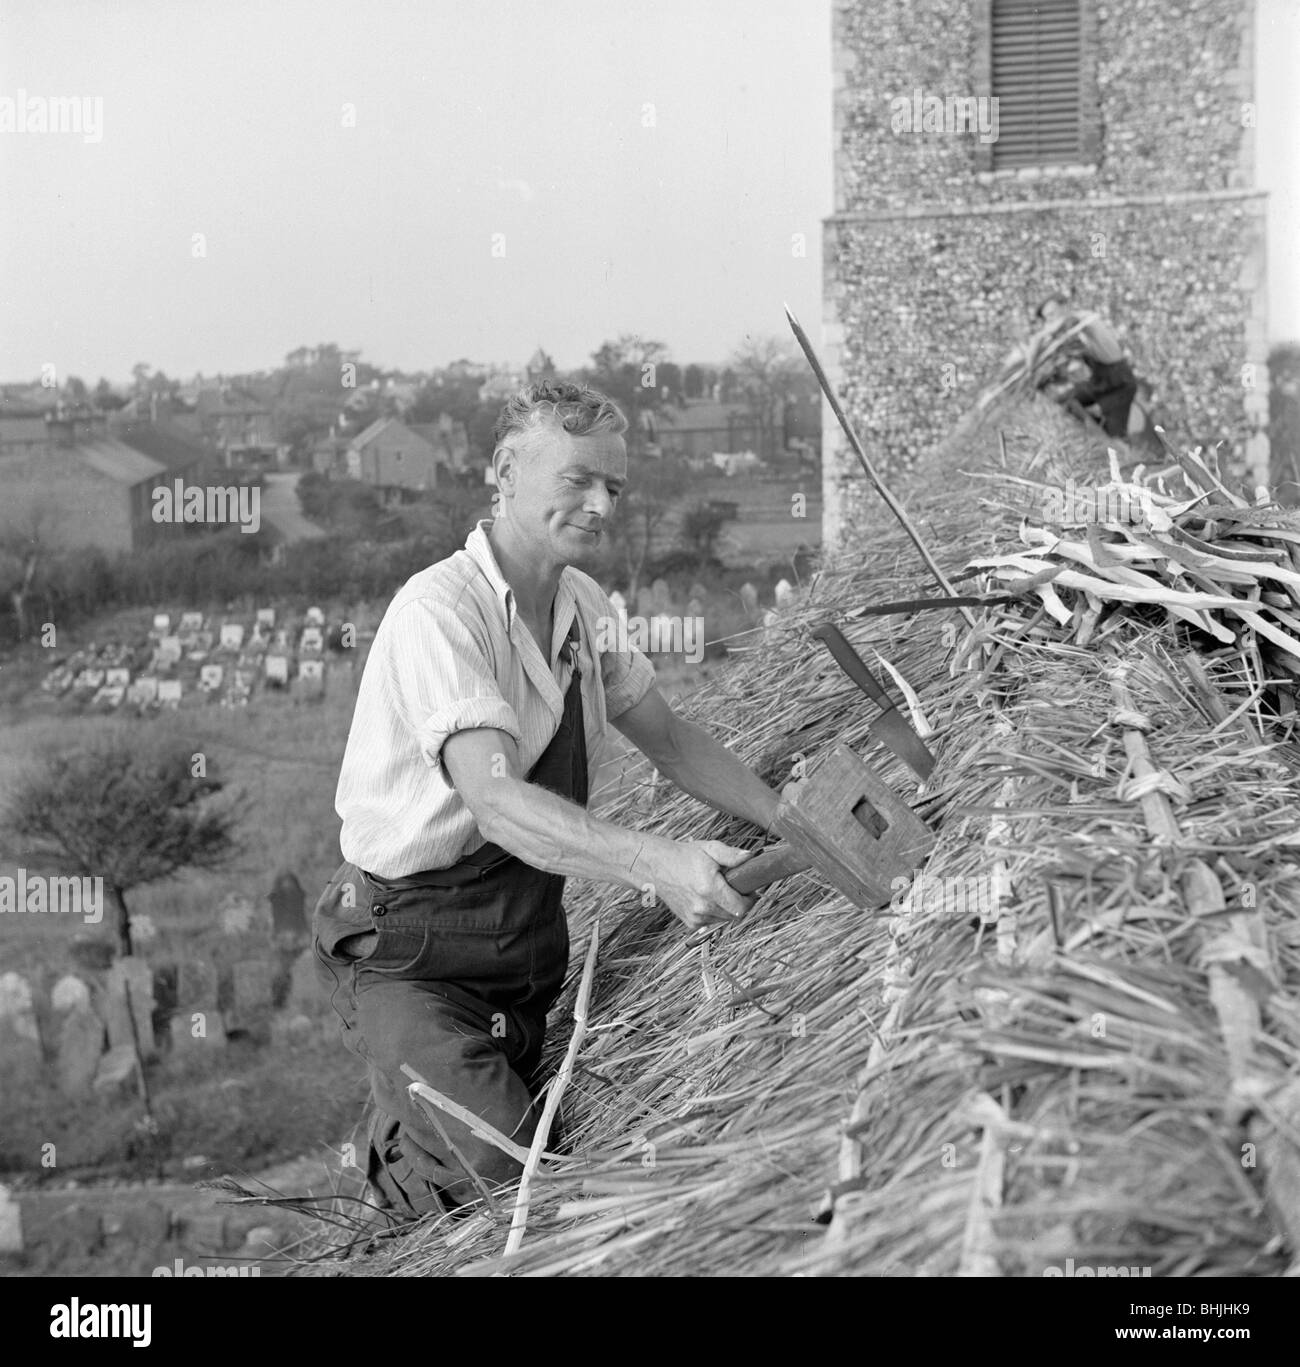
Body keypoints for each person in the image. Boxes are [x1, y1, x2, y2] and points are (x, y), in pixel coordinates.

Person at [313, 379, 784, 1219]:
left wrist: (790, 820)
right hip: (411, 957)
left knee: (533, 1125)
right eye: (579, 480)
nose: (602, 504)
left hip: (522, 954)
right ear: (504, 469)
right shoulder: (440, 614)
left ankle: (428, 1105)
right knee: (515, 1177)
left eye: (616, 486)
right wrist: (658, 863)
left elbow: (672, 742)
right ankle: (396, 1172)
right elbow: (495, 803)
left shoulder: (584, 610)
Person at [1034, 294, 1139, 439]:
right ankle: (1094, 426)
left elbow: (1068, 323)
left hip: (1118, 383)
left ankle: (1110, 436)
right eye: (1047, 318)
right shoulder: (1068, 335)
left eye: (1052, 314)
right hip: (1100, 381)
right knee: (1067, 400)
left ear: (1065, 306)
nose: (1050, 321)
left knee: (1116, 436)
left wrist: (1041, 337)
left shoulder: (1083, 319)